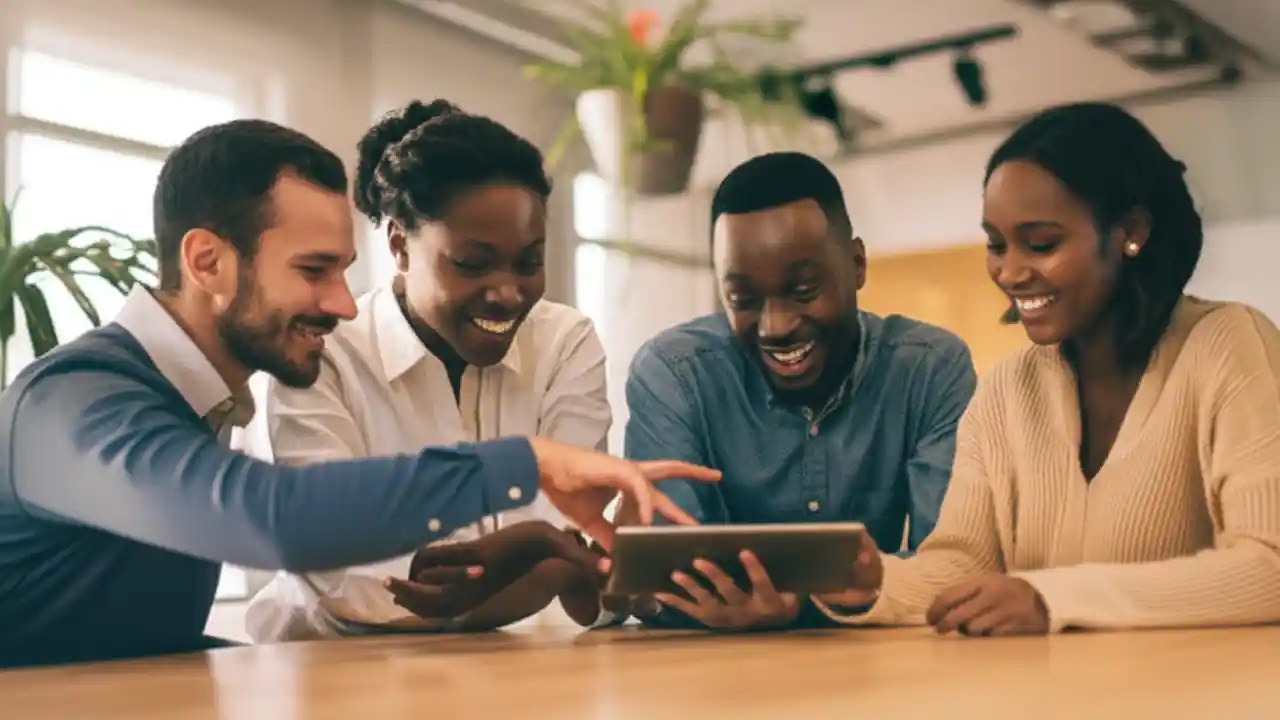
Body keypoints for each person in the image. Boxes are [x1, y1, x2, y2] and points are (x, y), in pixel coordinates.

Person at [0, 119, 717, 668]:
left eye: (344, 271)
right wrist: (524, 462)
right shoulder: (74, 404)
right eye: (314, 271)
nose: (345, 306)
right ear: (208, 262)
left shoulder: (188, 402)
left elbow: (134, 643)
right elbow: (273, 520)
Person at [812, 102, 1280, 636]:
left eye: (1041, 244)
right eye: (995, 244)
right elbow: (964, 565)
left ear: (1130, 231)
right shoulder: (1005, 390)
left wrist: (1048, 597)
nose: (1009, 271)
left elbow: (1270, 565)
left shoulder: (1229, 346)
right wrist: (877, 586)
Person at [239, 99, 613, 640]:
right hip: (325, 670)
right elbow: (330, 564)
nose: (508, 292)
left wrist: (543, 556)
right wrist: (537, 558)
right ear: (399, 244)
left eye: (529, 262)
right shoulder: (323, 351)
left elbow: (573, 531)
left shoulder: (565, 342)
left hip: (501, 662)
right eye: (472, 264)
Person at [624, 151, 977, 630]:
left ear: (856, 265)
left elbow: (952, 568)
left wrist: (806, 607)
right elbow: (668, 574)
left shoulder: (930, 369)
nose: (775, 326)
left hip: (882, 671)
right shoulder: (674, 373)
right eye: (743, 300)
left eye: (804, 290)